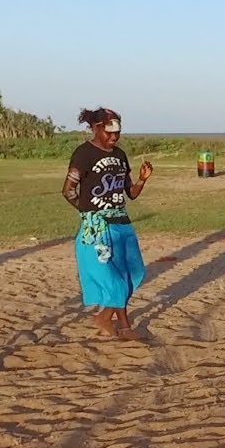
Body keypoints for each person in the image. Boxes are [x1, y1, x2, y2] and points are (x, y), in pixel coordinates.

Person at [61, 107, 151, 340]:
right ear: (96, 128)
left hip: (122, 223)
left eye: (117, 134)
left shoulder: (120, 156)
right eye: (109, 133)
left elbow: (130, 193)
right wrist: (89, 215)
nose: (113, 138)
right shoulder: (83, 153)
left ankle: (123, 326)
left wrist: (142, 179)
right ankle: (108, 319)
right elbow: (68, 191)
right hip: (98, 229)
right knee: (114, 280)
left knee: (132, 273)